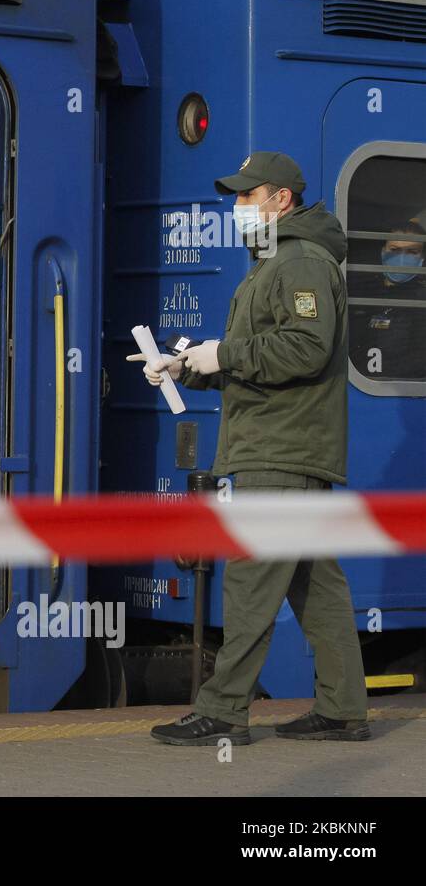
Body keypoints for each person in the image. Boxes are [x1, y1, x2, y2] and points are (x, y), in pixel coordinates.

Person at [131, 151, 369, 745]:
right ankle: (342, 709)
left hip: (281, 449)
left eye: (247, 195)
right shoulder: (274, 261)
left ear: (280, 199)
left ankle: (223, 712)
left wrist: (223, 354)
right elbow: (258, 359)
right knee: (314, 587)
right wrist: (188, 365)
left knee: (250, 581)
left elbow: (306, 349)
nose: (237, 206)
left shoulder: (300, 260)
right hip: (284, 446)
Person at [348, 213, 426, 381]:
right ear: (383, 252)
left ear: (422, 259)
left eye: (412, 252)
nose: (402, 258)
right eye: (395, 250)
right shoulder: (360, 292)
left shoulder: (421, 301)